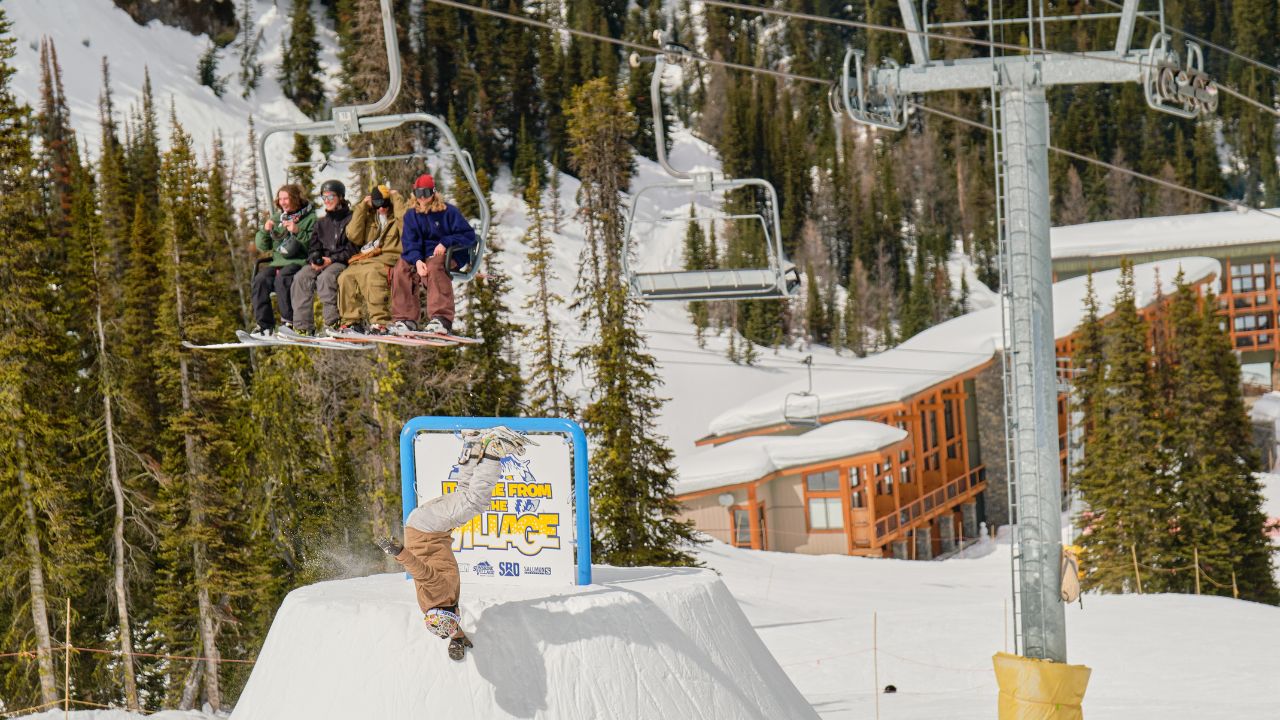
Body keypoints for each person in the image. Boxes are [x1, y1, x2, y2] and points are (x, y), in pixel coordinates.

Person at [376, 426, 536, 661]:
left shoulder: (439, 595)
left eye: (455, 623)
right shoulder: (434, 609)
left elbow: (422, 573)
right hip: (427, 528)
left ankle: (493, 450)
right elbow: (445, 619)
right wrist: (457, 639)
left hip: (428, 528)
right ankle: (472, 443)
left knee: (476, 502)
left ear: (454, 612)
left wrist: (398, 551)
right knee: (465, 495)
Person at [389, 173, 477, 335]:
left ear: (434, 193)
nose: (422, 199)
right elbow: (410, 242)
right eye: (418, 194)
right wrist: (416, 261)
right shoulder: (411, 215)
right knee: (401, 267)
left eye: (426, 194)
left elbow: (469, 236)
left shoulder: (448, 212)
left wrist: (446, 242)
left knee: (435, 265)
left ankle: (441, 318)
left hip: (450, 254)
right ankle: (405, 319)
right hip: (422, 255)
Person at [337, 184, 405, 334]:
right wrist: (362, 207)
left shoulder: (397, 216)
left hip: (388, 258)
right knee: (345, 276)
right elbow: (353, 235)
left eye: (385, 204)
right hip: (367, 258)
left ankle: (380, 321)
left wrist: (397, 199)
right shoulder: (370, 217)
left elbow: (407, 229)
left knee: (373, 274)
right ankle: (352, 322)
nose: (381, 209)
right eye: (377, 205)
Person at [291, 179, 356, 335]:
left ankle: (333, 323)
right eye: (324, 197)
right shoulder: (321, 223)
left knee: (326, 278)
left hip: (341, 261)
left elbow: (353, 247)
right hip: (323, 262)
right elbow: (314, 246)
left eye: (331, 197)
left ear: (340, 197)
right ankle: (303, 327)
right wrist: (315, 258)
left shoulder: (351, 219)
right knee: (301, 277)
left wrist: (331, 260)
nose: (327, 201)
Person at [252, 184, 317, 336]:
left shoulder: (310, 218)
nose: (283, 202)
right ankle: (264, 325)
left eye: (286, 198)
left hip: (299, 261)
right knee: (260, 280)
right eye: (280, 199)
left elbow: (314, 244)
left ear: (296, 199)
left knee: (282, 279)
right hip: (277, 262)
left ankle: (288, 321)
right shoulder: (277, 218)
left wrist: (297, 231)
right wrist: (265, 231)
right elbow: (262, 246)